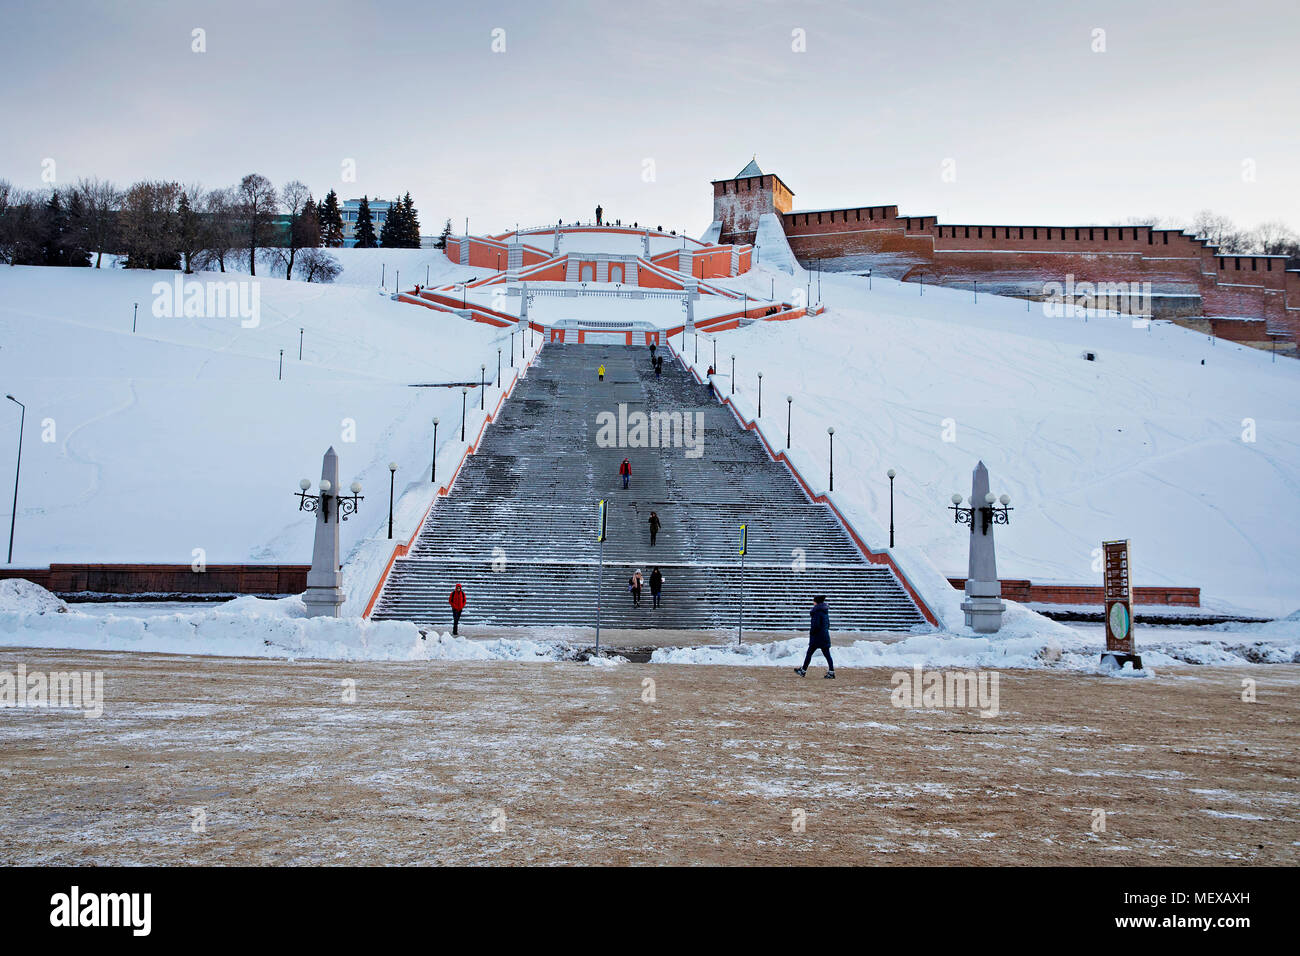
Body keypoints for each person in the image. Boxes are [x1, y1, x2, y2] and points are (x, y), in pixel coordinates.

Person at [795, 596, 834, 678]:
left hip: (817, 637)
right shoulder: (825, 611)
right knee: (827, 654)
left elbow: (816, 625)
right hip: (824, 636)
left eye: (814, 601)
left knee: (809, 653)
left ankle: (803, 670)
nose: (813, 602)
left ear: (817, 602)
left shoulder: (817, 611)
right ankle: (831, 672)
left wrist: (812, 632)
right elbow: (828, 625)